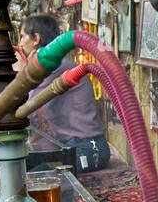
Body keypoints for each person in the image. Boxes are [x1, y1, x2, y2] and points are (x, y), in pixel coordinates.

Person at [14, 13, 111, 173]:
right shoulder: (52, 64)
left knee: (36, 176)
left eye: (23, 36)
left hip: (88, 149)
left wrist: (19, 72)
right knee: (21, 169)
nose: (19, 43)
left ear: (36, 38)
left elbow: (25, 105)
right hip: (70, 147)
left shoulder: (56, 65)